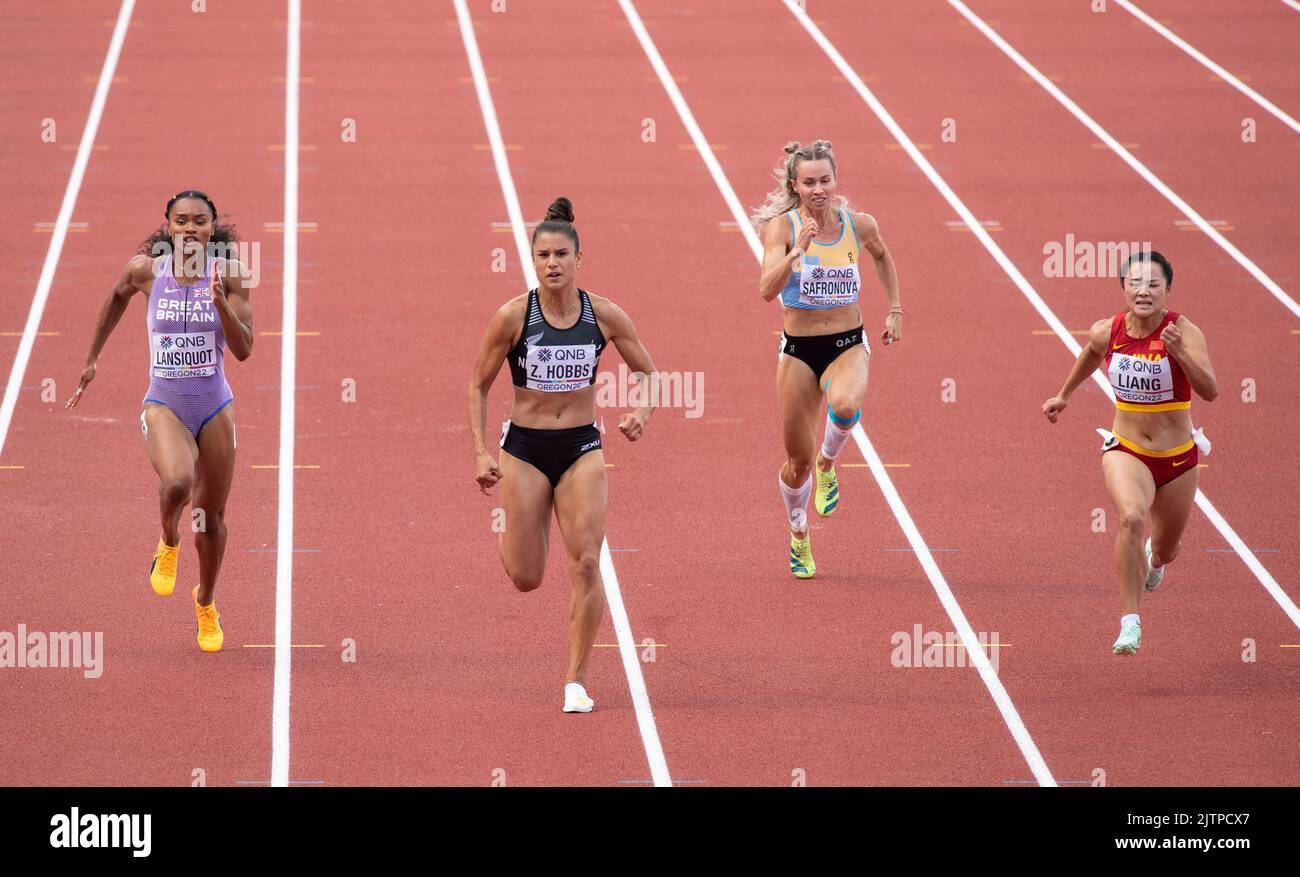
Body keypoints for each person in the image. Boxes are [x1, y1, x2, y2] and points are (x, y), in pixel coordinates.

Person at [467, 197, 658, 712]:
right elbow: (477, 385)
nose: (552, 263)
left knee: (588, 563)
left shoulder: (604, 314)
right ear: (533, 261)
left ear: (579, 258)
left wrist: (643, 410)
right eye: (543, 255)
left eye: (561, 255)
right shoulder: (512, 317)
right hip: (525, 451)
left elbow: (649, 371)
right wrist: (482, 451)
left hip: (580, 448)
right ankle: (526, 522)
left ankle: (576, 679)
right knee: (527, 577)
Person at [67, 190, 253, 652]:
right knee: (176, 484)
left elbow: (245, 349)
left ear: (213, 227)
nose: (190, 228)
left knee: (210, 522)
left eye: (200, 221)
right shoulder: (146, 270)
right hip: (165, 401)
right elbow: (115, 297)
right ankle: (167, 542)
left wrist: (221, 305)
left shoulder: (230, 272)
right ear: (168, 226)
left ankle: (205, 603)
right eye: (181, 221)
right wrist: (92, 358)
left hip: (213, 404)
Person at [1042, 250, 1217, 654]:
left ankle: (1155, 561)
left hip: (1177, 458)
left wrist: (1181, 354)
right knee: (1132, 517)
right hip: (1127, 448)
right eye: (1135, 283)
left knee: (1167, 549)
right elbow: (1090, 352)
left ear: (1167, 290)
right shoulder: (1109, 329)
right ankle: (1130, 623)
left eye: (1154, 284)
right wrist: (1064, 394)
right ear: (1123, 288)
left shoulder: (1184, 332)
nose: (1144, 291)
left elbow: (1210, 390)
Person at [755, 140, 902, 579]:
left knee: (844, 406)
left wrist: (894, 308)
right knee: (794, 463)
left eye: (825, 180)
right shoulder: (782, 229)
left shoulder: (860, 225)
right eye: (809, 182)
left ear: (835, 180)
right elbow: (766, 289)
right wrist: (796, 253)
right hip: (799, 350)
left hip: (848, 342)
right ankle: (799, 534)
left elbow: (883, 257)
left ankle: (829, 462)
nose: (819, 189)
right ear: (796, 186)